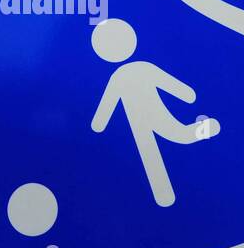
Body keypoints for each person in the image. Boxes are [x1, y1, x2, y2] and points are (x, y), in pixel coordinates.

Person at [90, 18, 220, 207]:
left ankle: (208, 128)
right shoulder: (138, 69)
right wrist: (187, 95)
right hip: (142, 122)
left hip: (146, 120)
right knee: (162, 146)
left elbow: (102, 115)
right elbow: (178, 89)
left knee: (162, 146)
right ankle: (165, 196)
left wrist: (99, 125)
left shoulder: (121, 75)